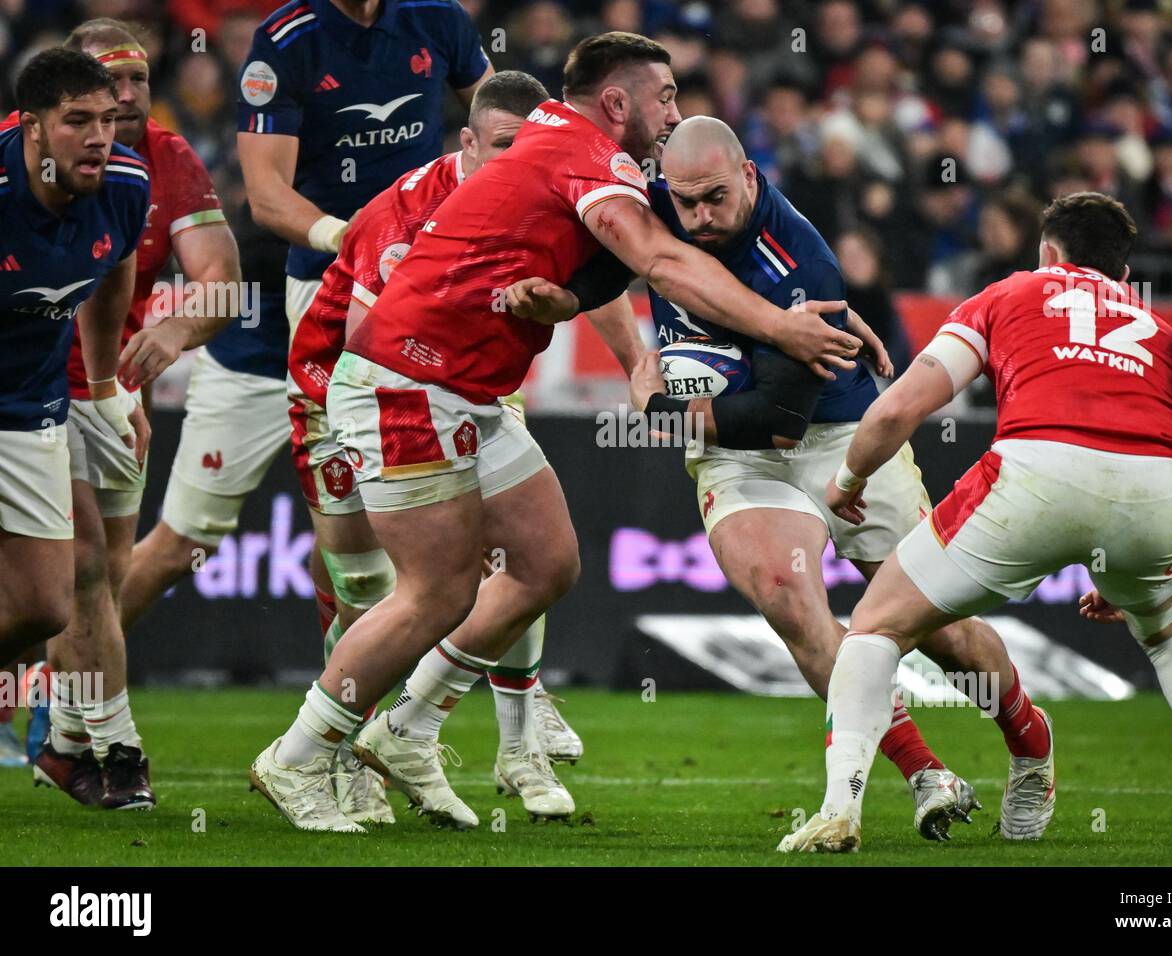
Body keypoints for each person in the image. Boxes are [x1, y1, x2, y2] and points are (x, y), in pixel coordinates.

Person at [249, 31, 861, 833]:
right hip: (410, 381)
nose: (675, 114)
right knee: (436, 592)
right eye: (666, 97)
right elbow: (664, 264)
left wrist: (570, 305)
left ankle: (409, 729)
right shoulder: (587, 155)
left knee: (545, 565)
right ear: (617, 104)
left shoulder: (557, 139)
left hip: (469, 388)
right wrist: (784, 330)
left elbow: (621, 262)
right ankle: (295, 758)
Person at [513, 116, 1048, 842]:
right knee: (787, 597)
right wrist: (568, 300)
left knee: (940, 634)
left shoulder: (800, 261)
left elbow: (773, 422)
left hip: (834, 439)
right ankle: (925, 772)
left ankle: (1029, 742)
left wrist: (657, 409)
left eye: (715, 200)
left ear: (751, 178)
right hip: (736, 459)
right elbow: (610, 260)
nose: (699, 217)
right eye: (686, 201)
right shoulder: (657, 203)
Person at [784, 192, 1172, 856]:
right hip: (1153, 488)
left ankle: (839, 812)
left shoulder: (1011, 294)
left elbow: (895, 410)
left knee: (874, 627)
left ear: (1050, 252)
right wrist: (1154, 578)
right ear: (1120, 269)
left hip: (1034, 474)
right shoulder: (1162, 337)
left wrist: (848, 479)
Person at [117, 0, 496, 704]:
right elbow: (265, 198)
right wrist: (356, 238)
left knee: (352, 520)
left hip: (383, 310)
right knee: (182, 542)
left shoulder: (437, 21)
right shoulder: (286, 43)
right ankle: (65, 684)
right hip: (264, 336)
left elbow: (505, 129)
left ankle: (347, 722)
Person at [285, 70, 589, 824]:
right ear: (467, 142)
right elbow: (367, 343)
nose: (518, 163)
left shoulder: (535, 199)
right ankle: (338, 758)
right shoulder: (407, 213)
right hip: (342, 393)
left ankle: (460, 736)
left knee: (531, 558)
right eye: (503, 149)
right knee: (375, 590)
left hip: (461, 385)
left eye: (531, 150)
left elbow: (601, 280)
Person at [2, 18, 240, 812]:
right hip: (38, 391)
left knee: (70, 589)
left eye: (129, 92)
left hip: (56, 394)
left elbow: (144, 275)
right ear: (34, 118)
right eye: (89, 112)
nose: (121, 112)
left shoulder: (147, 170)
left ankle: (68, 739)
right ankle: (109, 740)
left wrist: (108, 387)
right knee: (82, 565)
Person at [0, 49, 151, 791]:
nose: (100, 137)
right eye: (78, 122)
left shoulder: (124, 184)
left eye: (110, 121)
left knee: (41, 606)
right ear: (32, 129)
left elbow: (116, 262)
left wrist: (102, 383)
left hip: (30, 410)